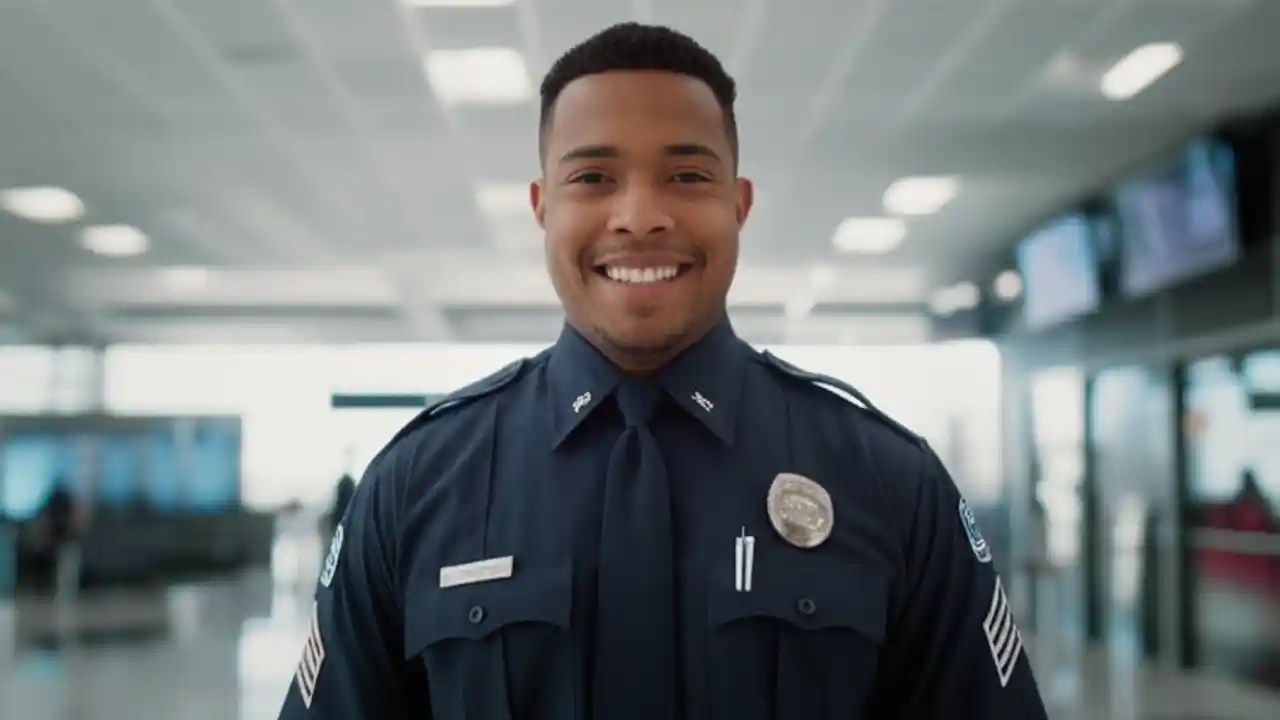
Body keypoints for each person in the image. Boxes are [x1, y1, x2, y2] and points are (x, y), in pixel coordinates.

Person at [278, 23, 1048, 719]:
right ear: (542, 206)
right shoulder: (418, 483)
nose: (640, 215)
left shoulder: (886, 479)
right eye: (592, 178)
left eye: (686, 176)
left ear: (739, 204)